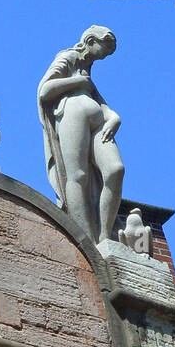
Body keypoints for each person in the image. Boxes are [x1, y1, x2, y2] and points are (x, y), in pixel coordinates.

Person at [37, 25, 124, 244]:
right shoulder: (69, 57)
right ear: (91, 41)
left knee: (115, 170)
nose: (105, 54)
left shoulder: (88, 68)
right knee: (78, 175)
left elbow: (102, 103)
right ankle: (87, 241)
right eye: (105, 47)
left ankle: (105, 235)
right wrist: (77, 81)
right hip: (72, 113)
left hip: (97, 120)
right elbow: (45, 90)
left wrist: (114, 117)